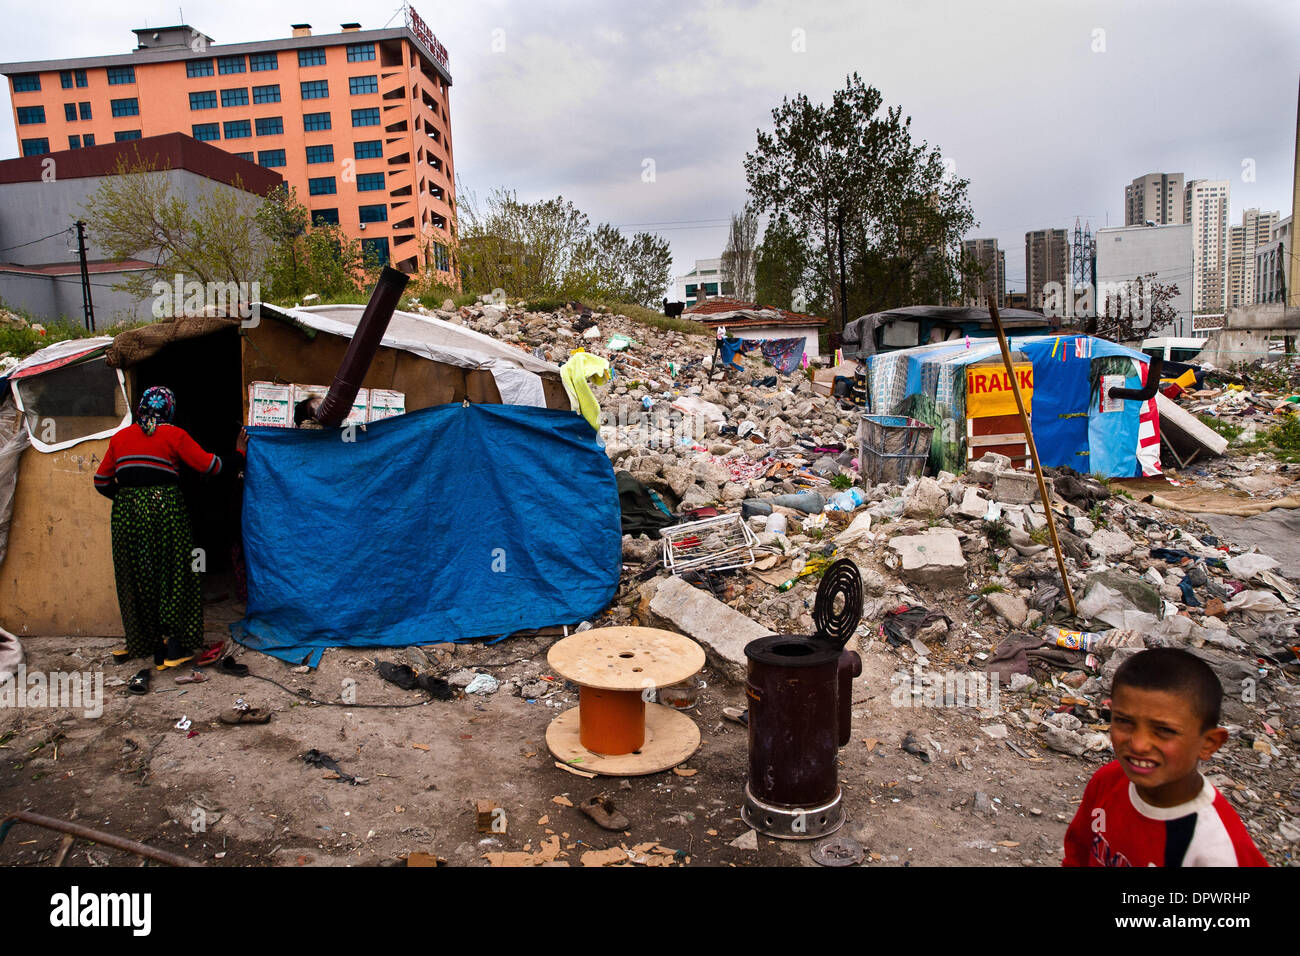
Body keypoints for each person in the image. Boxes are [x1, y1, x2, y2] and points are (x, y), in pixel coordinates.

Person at [1063, 648, 1267, 866]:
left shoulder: (1217, 851)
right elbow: (1079, 851)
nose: (1139, 744)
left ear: (1209, 744)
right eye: (1124, 721)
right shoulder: (1109, 779)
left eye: (1164, 730)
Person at [93, 386, 246, 669]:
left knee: (140, 576)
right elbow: (211, 467)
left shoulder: (120, 437)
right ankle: (174, 648)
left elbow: (101, 481)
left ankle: (147, 643)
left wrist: (131, 498)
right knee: (174, 574)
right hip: (166, 512)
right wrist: (239, 452)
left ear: (141, 409)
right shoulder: (175, 435)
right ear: (170, 410)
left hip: (127, 517)